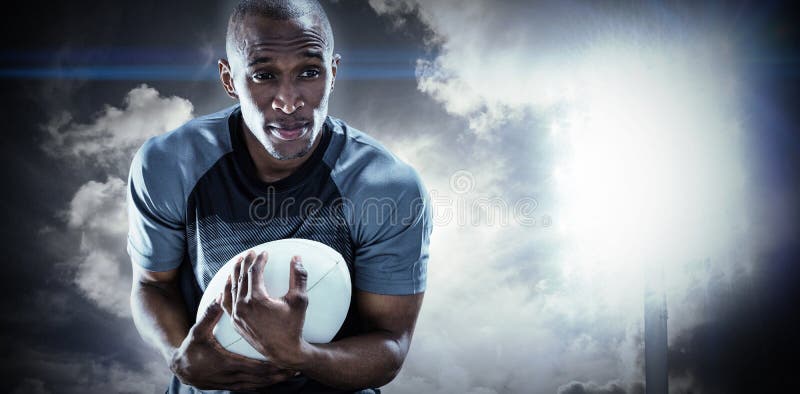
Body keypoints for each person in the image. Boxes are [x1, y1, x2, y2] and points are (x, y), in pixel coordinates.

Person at [126, 1, 432, 393]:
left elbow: (391, 345)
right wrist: (176, 354)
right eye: (264, 75)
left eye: (309, 72)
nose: (289, 102)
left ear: (333, 73)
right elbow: (152, 285)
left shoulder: (386, 187)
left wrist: (299, 355)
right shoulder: (170, 163)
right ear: (230, 80)